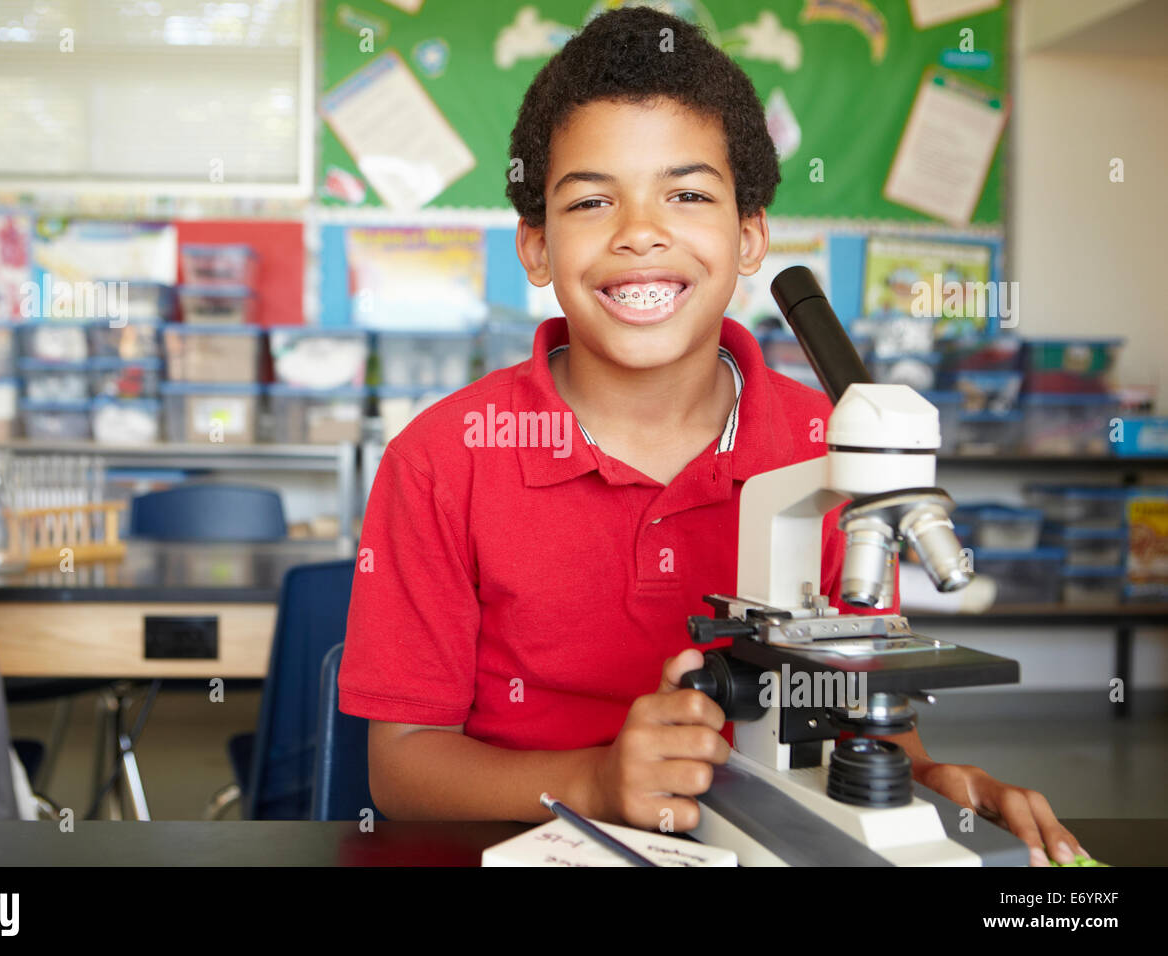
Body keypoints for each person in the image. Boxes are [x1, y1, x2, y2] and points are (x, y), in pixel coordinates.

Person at [340, 6, 1082, 867]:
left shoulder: (827, 445)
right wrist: (593, 781)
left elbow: (859, 706)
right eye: (590, 200)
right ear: (536, 247)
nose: (640, 232)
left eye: (687, 194)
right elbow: (400, 769)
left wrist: (932, 785)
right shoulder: (443, 458)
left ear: (751, 236)